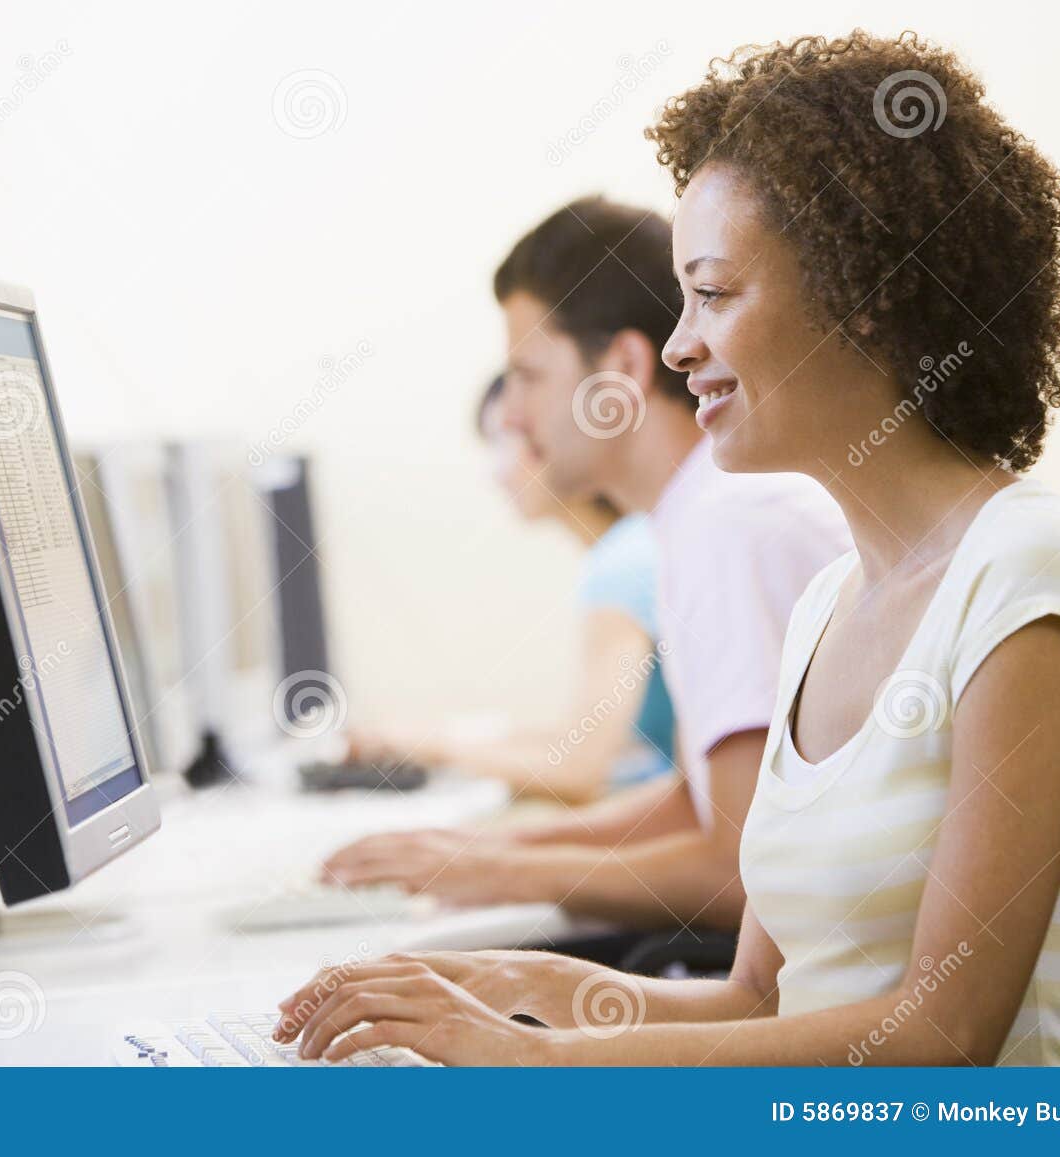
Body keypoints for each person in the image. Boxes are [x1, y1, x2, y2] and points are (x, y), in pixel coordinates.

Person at [282, 30, 1060, 1066]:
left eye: (715, 293)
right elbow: (757, 996)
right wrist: (517, 985)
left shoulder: (1023, 578)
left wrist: (538, 1060)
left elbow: (942, 1037)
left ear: (863, 294)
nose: (678, 343)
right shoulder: (832, 602)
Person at [321, 197, 851, 929]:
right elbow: (703, 797)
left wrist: (501, 870)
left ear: (623, 369)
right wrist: (484, 850)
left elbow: (741, 872)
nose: (508, 416)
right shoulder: (695, 513)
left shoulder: (728, 522)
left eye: (527, 376)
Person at [345, 373, 677, 803]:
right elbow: (589, 740)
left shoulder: (621, 563)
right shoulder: (635, 543)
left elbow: (578, 771)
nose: (495, 473)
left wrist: (438, 748)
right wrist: (435, 740)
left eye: (505, 440)